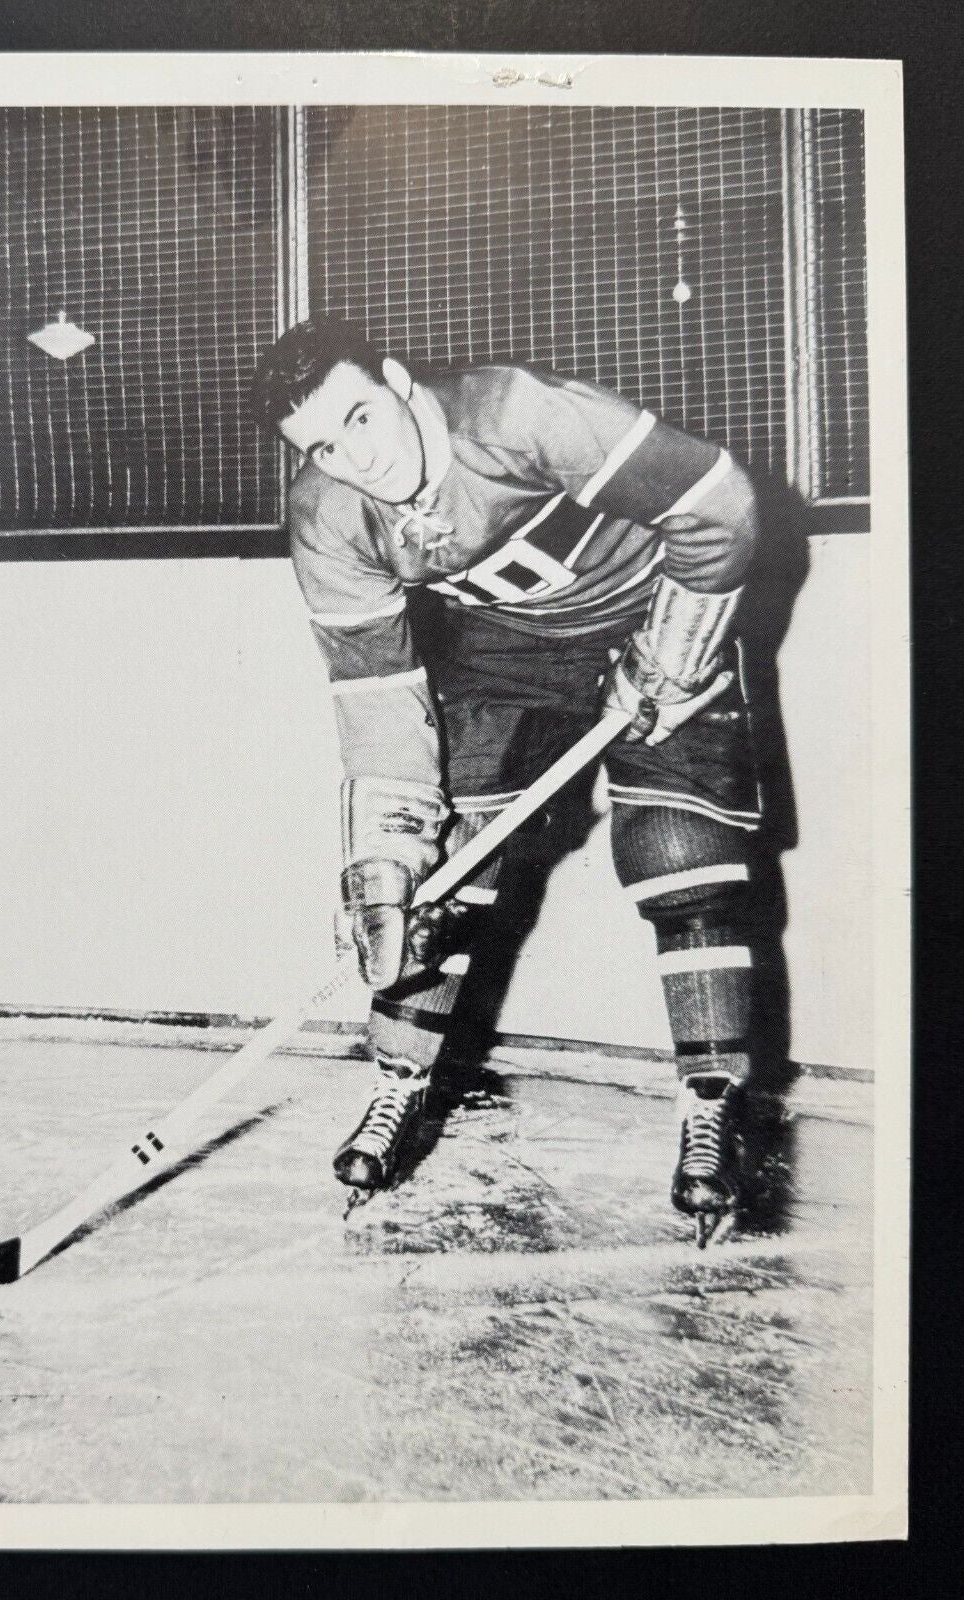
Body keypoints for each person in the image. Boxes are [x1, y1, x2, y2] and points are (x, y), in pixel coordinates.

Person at [250, 315, 764, 1243]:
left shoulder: (521, 417)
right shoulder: (327, 511)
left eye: (359, 420)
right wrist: (387, 857)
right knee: (441, 875)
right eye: (322, 446)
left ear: (399, 383)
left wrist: (672, 654)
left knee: (683, 858)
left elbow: (719, 503)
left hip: (657, 614)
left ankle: (709, 1109)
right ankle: (396, 1089)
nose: (353, 460)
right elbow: (375, 695)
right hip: (506, 653)